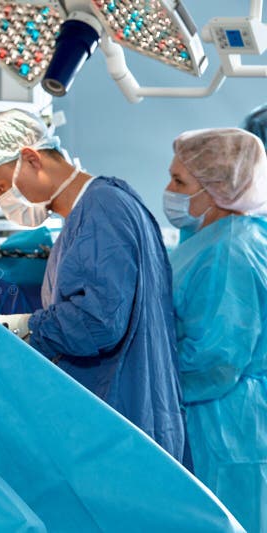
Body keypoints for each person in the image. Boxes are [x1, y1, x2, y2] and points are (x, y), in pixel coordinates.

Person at [0, 109, 185, 461]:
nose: (2, 200)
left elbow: (98, 321)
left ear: (30, 158)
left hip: (122, 418)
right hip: (119, 411)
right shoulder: (91, 210)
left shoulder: (103, 209)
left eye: (1, 187)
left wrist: (22, 327)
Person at [164, 127, 267, 533]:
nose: (168, 189)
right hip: (226, 418)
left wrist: (156, 384)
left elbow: (216, 362)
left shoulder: (229, 251)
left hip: (231, 424)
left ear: (219, 189)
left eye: (180, 181)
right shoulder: (210, 237)